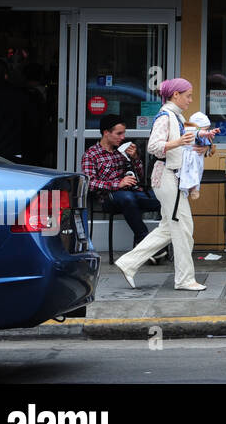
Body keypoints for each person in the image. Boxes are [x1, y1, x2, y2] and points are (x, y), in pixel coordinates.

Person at [115, 78, 206, 292]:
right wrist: (180, 142)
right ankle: (184, 279)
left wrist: (202, 144)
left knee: (169, 228)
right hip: (167, 177)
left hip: (170, 177)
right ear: (175, 95)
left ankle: (128, 263)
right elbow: (154, 147)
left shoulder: (177, 116)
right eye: (188, 95)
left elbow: (188, 143)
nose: (190, 100)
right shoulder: (166, 117)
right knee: (183, 228)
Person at [82, 114, 161, 254]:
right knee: (127, 198)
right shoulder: (91, 154)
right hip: (109, 198)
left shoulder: (121, 151)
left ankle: (161, 243)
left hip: (133, 194)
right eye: (119, 133)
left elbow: (140, 177)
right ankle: (145, 242)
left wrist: (135, 158)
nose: (123, 137)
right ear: (106, 133)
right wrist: (117, 184)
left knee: (164, 200)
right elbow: (89, 183)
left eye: (123, 133)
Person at [179, 110, 218, 201]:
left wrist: (208, 147)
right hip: (189, 158)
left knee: (197, 172)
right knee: (190, 172)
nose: (206, 131)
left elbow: (212, 150)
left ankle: (195, 188)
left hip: (198, 159)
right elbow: (197, 133)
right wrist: (205, 133)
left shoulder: (205, 135)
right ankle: (192, 188)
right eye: (205, 129)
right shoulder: (190, 131)